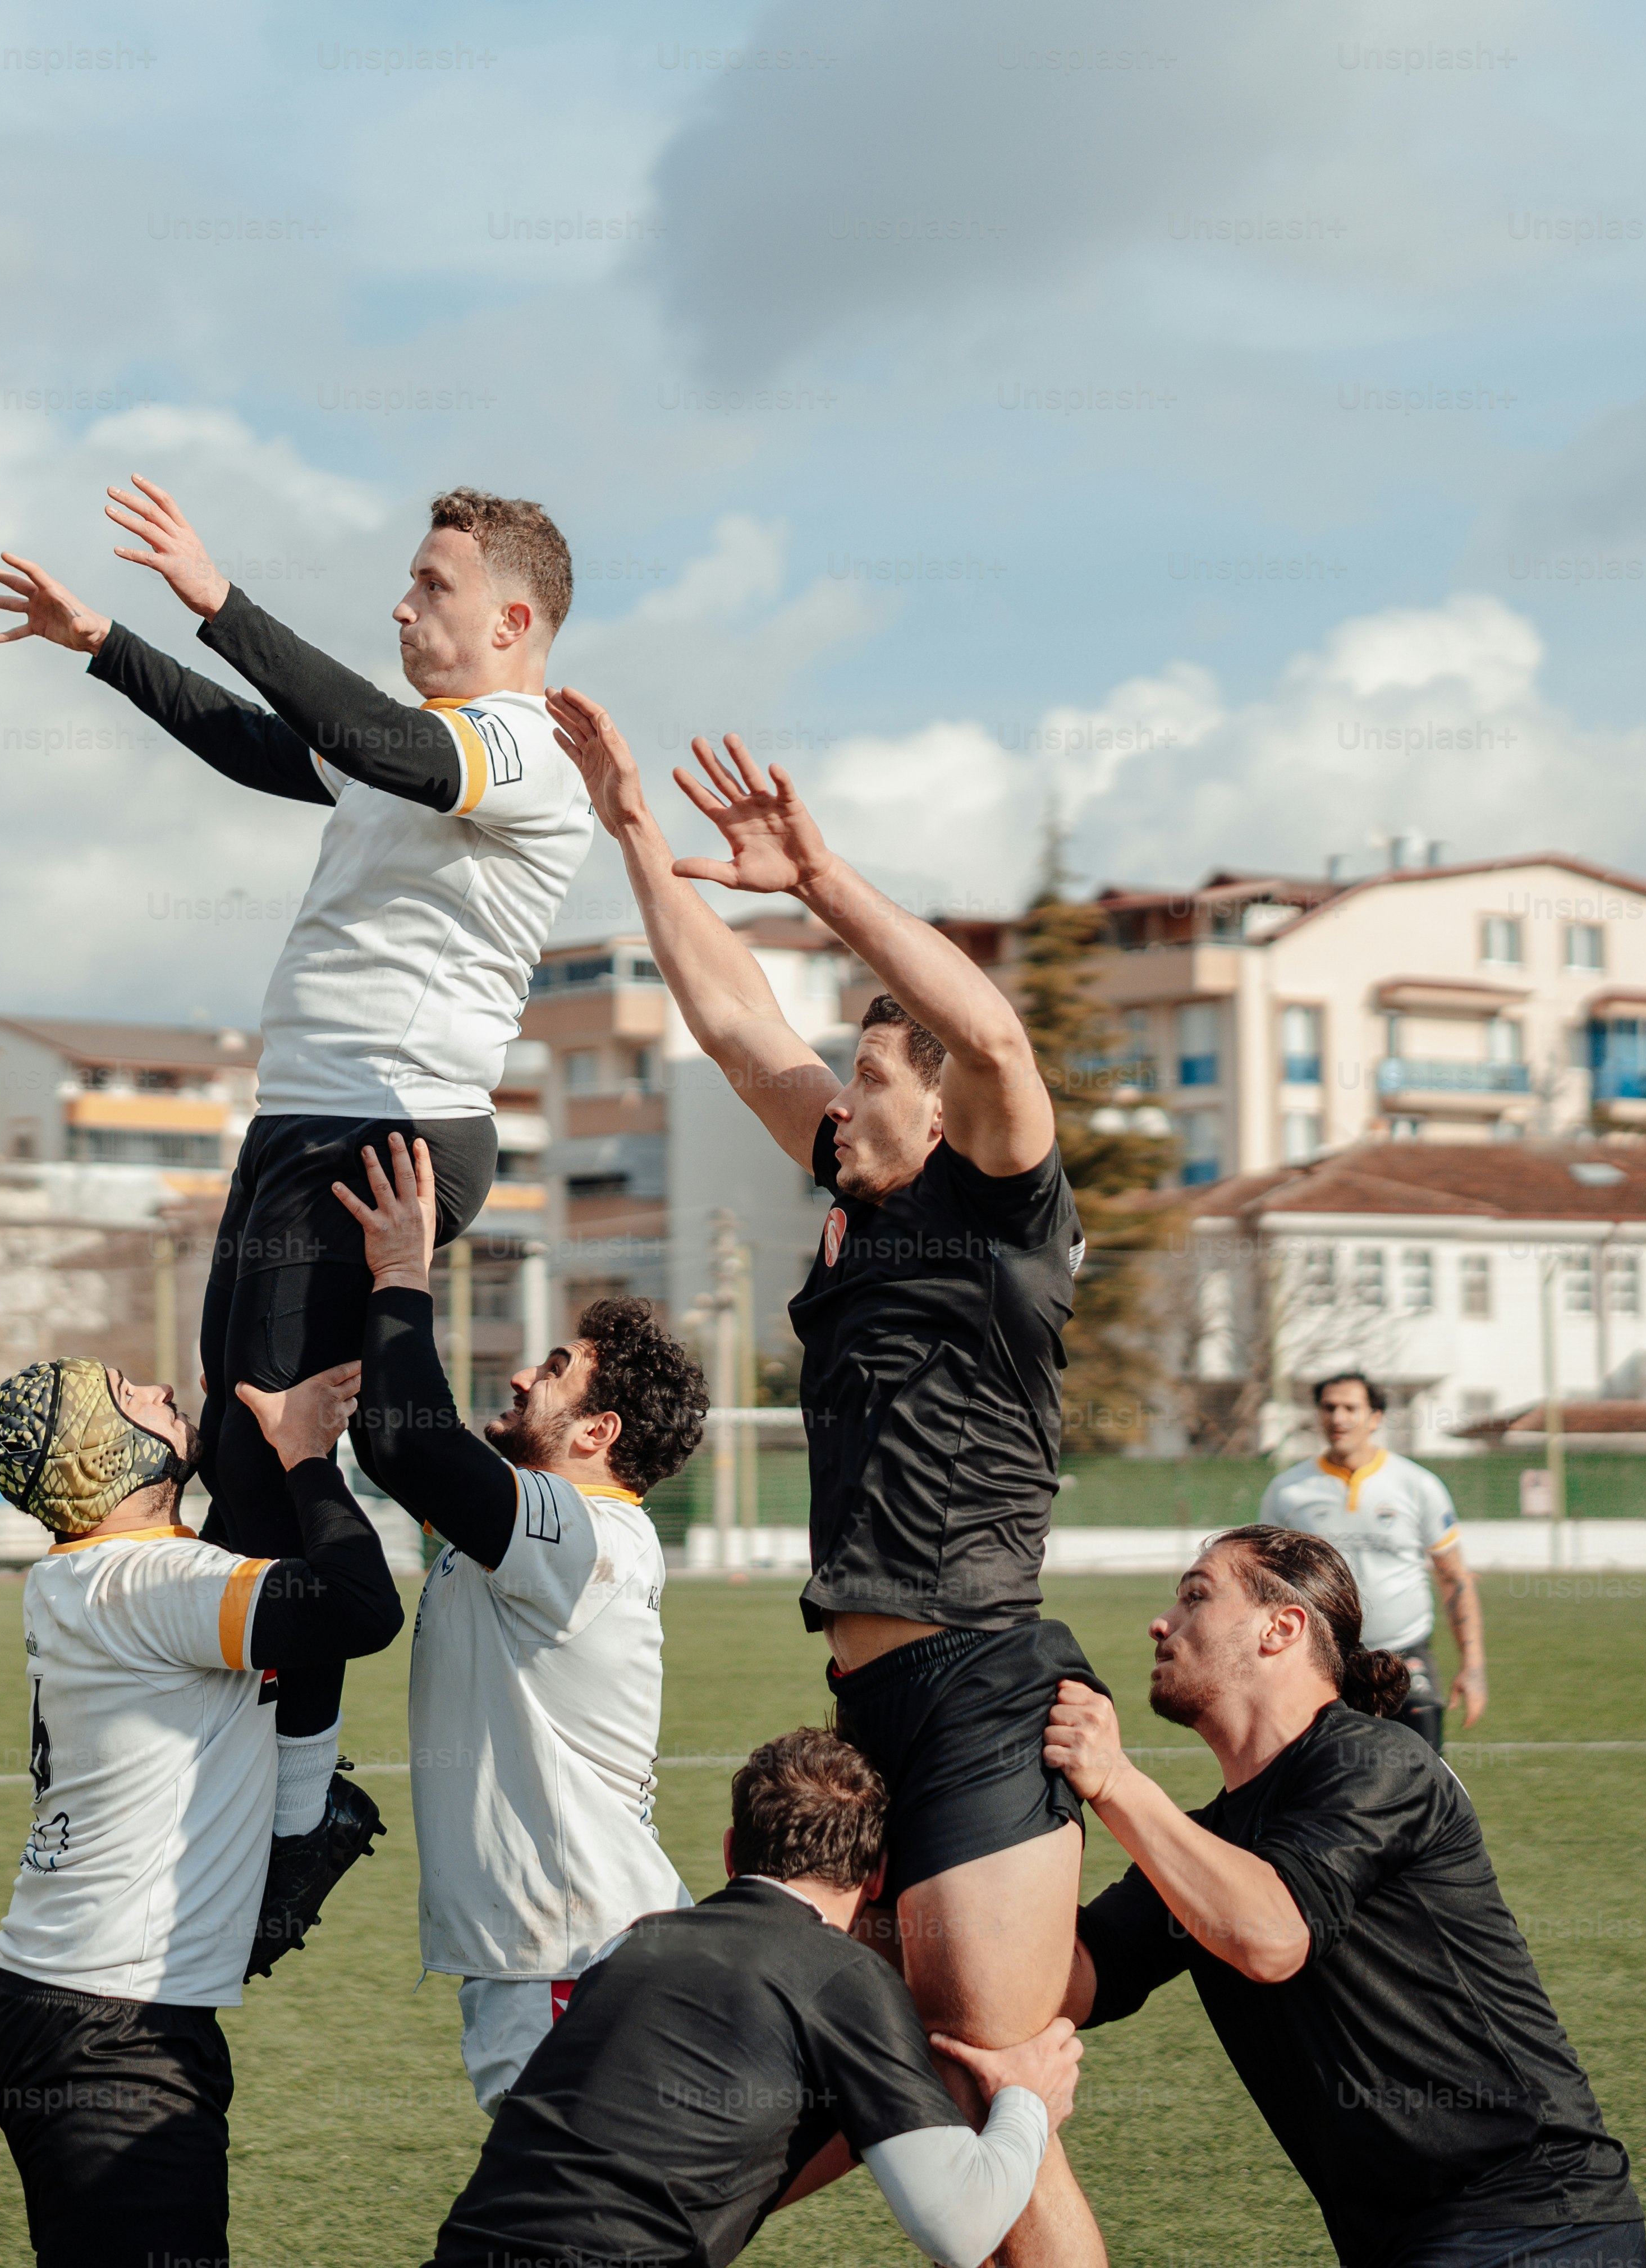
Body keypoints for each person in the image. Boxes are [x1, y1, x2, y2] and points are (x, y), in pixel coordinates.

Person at [0, 483, 595, 1931]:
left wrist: (214, 594)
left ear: (510, 620)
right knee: (244, 1462)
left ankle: (295, 1821)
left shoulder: (513, 746)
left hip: (374, 1126)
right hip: (307, 1120)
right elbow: (273, 747)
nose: (400, 605)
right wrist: (100, 641)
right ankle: (287, 1804)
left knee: (268, 1453)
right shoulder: (423, 756)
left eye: (428, 585)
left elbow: (363, 734)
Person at [549, 698, 1104, 2266]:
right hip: (873, 1698)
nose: (838, 1103)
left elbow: (992, 1035)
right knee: (914, 2066)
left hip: (985, 1680)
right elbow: (733, 1026)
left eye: (868, 1082)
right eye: (846, 1081)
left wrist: (818, 878)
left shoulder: (995, 1219)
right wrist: (637, 840)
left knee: (984, 2073)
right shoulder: (853, 1189)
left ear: (936, 1113)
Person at [1043, 1526, 1644, 2268]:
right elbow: (1062, 1978)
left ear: (1281, 1626)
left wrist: (1115, 1782)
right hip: (1404, 2244)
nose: (1160, 1622)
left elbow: (1268, 1934)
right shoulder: (1209, 1845)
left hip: (1531, 2222)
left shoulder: (1377, 1760)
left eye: (1196, 1596)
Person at [0, 1355, 404, 2268]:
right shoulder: (152, 1585)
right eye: (132, 1395)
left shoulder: (91, 1574)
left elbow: (261, 1563)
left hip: (84, 2005)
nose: (163, 1391)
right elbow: (358, 1607)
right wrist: (307, 1457)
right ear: (101, 1451)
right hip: (110, 2026)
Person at [329, 1132, 707, 2110]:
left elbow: (405, 1442)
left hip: (572, 1957)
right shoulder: (535, 1530)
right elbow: (399, 1444)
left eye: (552, 1369)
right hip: (565, 1952)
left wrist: (405, 1270)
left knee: (565, 2224)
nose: (520, 1378)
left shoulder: (583, 1534)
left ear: (596, 1433)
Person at [424, 1727, 1083, 2268]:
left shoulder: (631, 1942)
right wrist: (1029, 2098)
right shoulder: (843, 1975)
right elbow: (961, 2231)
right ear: (877, 1874)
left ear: (732, 1852)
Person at [1259, 1371, 1488, 1751]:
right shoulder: (1287, 1491)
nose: (1338, 1418)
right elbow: (1264, 1582)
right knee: (1330, 1777)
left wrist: (1473, 1666)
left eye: (1350, 1407)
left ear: (1375, 1418)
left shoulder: (1417, 1485)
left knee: (1421, 1770)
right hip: (1321, 1657)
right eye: (1329, 1408)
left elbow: (1454, 1578)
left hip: (1404, 1652)